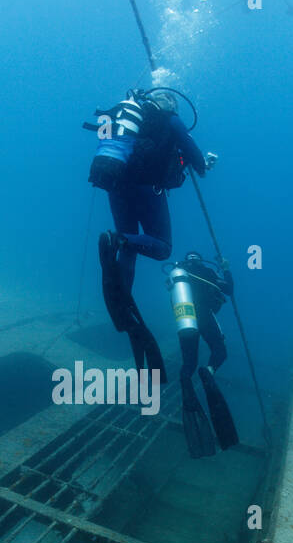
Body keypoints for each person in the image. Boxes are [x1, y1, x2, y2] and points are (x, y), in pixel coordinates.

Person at [89, 88, 210, 383]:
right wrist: (204, 165)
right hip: (148, 191)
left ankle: (123, 297)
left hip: (117, 187)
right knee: (162, 247)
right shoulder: (169, 120)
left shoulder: (130, 117)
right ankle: (120, 243)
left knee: (127, 243)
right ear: (169, 103)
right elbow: (193, 155)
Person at [162, 251, 237, 457]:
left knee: (188, 363)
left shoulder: (179, 274)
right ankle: (209, 371)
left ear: (187, 261)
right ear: (199, 260)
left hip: (185, 316)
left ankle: (186, 380)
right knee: (220, 351)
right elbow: (229, 289)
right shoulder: (207, 271)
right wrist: (227, 268)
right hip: (205, 315)